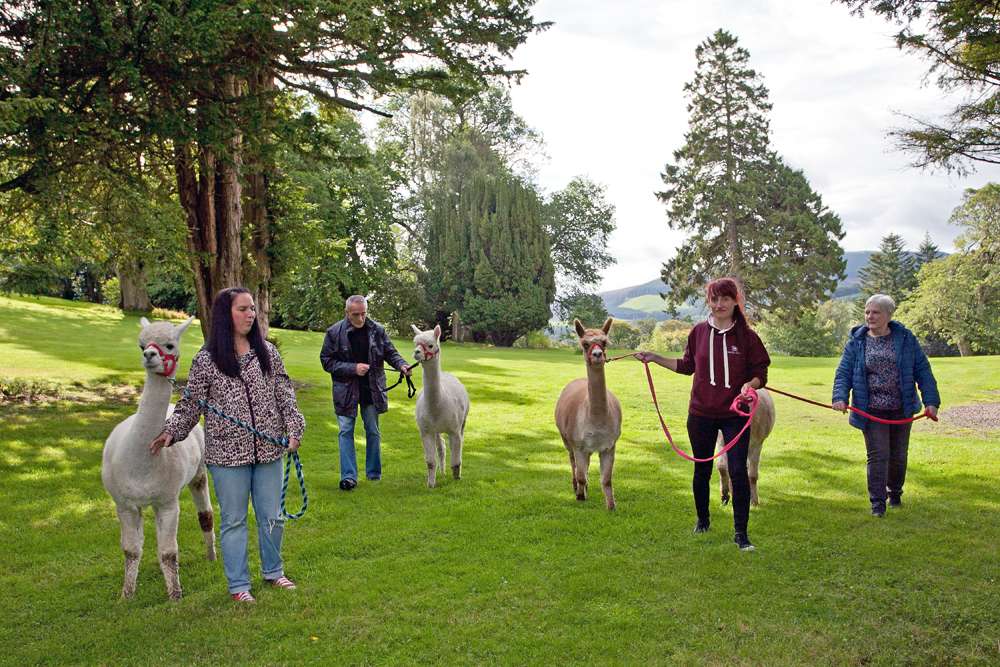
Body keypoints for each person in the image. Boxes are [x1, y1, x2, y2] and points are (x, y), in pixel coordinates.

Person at [149, 287, 305, 603]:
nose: (251, 315)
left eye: (252, 310)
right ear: (226, 314)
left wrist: (294, 427)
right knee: (233, 520)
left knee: (272, 515)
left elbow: (284, 393)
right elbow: (191, 402)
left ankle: (274, 572)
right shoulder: (207, 360)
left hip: (269, 451)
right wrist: (172, 431)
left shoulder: (267, 353)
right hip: (227, 456)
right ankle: (239, 586)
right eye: (243, 309)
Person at [634, 277, 770, 551]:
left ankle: (741, 534)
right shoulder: (698, 332)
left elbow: (760, 373)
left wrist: (750, 385)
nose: (719, 304)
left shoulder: (747, 336)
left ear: (735, 302)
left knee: (737, 471)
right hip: (701, 413)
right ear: (709, 301)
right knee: (702, 469)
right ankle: (703, 520)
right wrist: (655, 357)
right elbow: (686, 366)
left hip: (736, 414)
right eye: (714, 299)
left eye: (725, 299)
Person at [832, 293, 940, 517]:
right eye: (867, 311)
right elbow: (843, 372)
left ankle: (895, 493)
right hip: (871, 409)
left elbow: (923, 370)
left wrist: (931, 402)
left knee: (898, 455)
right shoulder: (857, 342)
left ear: (888, 315)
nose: (869, 316)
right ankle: (877, 504)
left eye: (875, 312)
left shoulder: (906, 339)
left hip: (902, 408)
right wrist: (839, 397)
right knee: (878, 455)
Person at [320, 295, 411, 490]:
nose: (361, 319)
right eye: (356, 315)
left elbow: (390, 352)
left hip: (372, 389)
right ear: (347, 313)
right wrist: (353, 368)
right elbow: (327, 361)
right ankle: (349, 477)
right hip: (345, 391)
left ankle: (373, 475)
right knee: (345, 432)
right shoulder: (334, 332)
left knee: (373, 431)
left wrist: (402, 364)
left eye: (364, 314)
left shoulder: (377, 330)